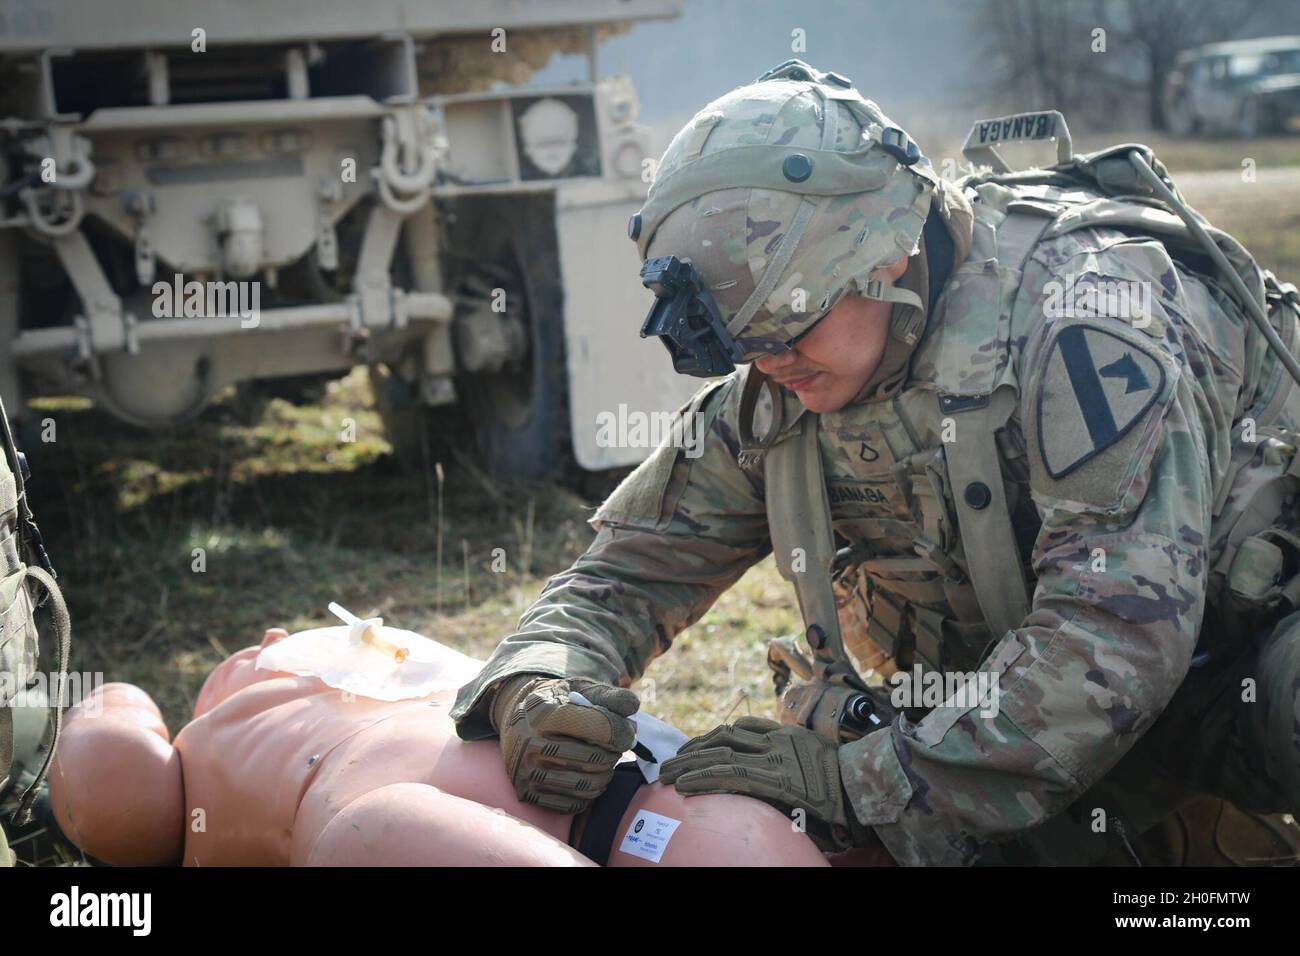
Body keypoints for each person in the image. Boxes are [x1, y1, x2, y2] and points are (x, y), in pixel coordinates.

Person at [449, 60, 1300, 865]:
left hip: (1218, 683)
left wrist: (859, 784)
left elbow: (1117, 639)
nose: (769, 361)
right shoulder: (791, 381)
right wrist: (543, 682)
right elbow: (624, 578)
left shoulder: (1086, 328)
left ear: (890, 253)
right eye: (744, 343)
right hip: (1005, 723)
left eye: (788, 326)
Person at [45, 627, 843, 867]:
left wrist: (112, 705)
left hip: (618, 792)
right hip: (607, 799)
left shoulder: (240, 707)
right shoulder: (212, 732)